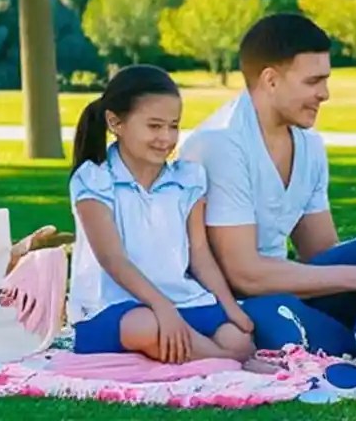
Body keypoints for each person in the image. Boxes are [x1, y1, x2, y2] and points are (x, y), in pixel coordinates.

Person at [180, 13, 356, 357]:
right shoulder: (222, 144)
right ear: (270, 80)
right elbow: (243, 275)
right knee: (290, 329)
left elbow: (321, 254)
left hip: (286, 288)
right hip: (230, 303)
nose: (325, 94)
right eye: (313, 81)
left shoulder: (309, 144)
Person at [67, 65, 255, 364]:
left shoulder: (188, 179)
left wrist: (230, 307)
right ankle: (231, 366)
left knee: (240, 340)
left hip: (181, 299)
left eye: (174, 125)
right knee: (149, 328)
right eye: (154, 126)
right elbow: (112, 259)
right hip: (111, 307)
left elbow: (200, 253)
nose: (166, 138)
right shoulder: (94, 180)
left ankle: (227, 359)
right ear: (115, 122)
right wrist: (162, 307)